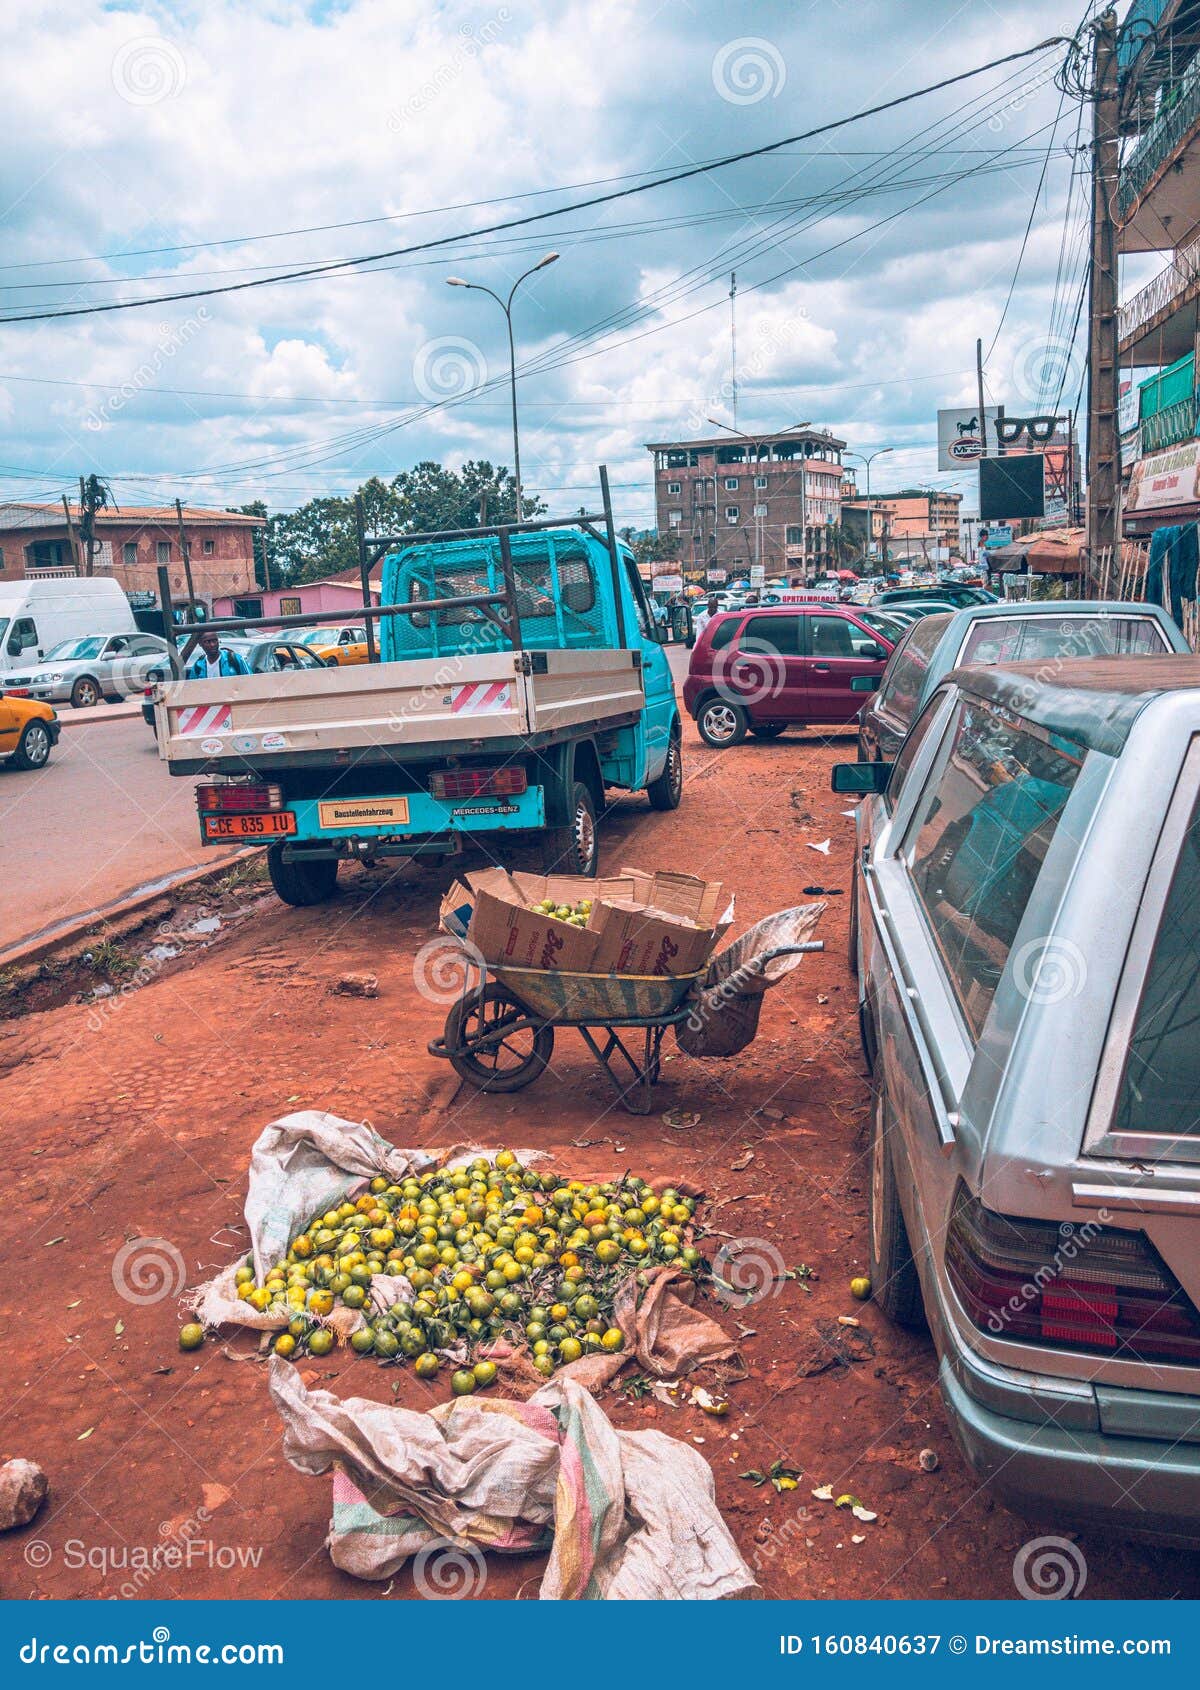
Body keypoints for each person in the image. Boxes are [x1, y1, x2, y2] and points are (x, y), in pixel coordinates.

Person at [185, 629, 251, 680]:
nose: (212, 644)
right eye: (207, 642)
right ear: (200, 644)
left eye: (214, 640)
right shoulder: (198, 666)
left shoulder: (235, 659)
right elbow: (193, 688)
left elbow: (251, 680)